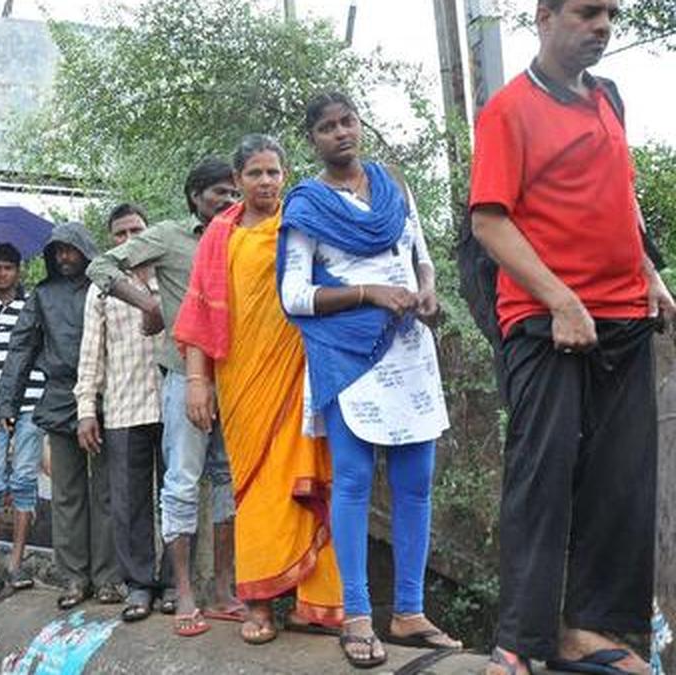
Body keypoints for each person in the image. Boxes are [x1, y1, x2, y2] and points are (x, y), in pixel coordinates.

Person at [469, 2, 674, 673]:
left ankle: (588, 630)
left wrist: (648, 273)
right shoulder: (508, 109)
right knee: (543, 470)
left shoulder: (608, 97)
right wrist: (560, 299)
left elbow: (621, 197)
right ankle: (518, 641)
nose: (603, 26)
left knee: (622, 477)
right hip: (544, 316)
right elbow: (490, 223)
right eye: (588, 12)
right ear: (545, 16)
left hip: (621, 313)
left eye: (610, 14)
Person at [279, 94, 460, 667]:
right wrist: (368, 294)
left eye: (348, 121)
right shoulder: (306, 204)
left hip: (408, 350)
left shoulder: (391, 187)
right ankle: (357, 616)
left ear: (360, 125)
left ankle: (408, 611)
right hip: (349, 357)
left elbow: (418, 253)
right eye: (327, 127)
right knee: (354, 485)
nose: (341, 133)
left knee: (417, 483)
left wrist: (425, 288)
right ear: (313, 139)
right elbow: (294, 295)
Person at [174, 134, 344, 645]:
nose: (266, 182)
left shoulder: (302, 222)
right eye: (255, 174)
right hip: (242, 379)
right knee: (252, 492)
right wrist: (198, 381)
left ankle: (317, 605)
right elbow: (200, 312)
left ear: (285, 174)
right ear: (238, 180)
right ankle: (260, 604)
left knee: (306, 479)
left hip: (301, 373)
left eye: (273, 172)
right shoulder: (218, 236)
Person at [86, 159, 241, 626]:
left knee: (229, 484)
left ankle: (223, 590)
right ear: (195, 196)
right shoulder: (171, 236)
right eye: (220, 193)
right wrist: (149, 302)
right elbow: (102, 265)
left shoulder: (246, 232)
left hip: (236, 380)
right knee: (181, 482)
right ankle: (184, 592)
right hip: (184, 378)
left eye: (234, 193)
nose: (230, 201)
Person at [0, 222, 120, 610]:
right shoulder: (43, 294)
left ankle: (107, 578)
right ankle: (74, 578)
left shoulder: (105, 285)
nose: (65, 257)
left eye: (71, 250)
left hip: (106, 395)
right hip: (58, 394)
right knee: (67, 494)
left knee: (105, 492)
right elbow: (20, 347)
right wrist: (8, 403)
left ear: (86, 250)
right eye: (58, 252)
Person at [73, 204, 164, 622]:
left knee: (176, 496)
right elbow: (91, 354)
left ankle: (175, 585)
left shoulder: (169, 274)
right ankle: (140, 585)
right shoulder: (101, 287)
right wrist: (86, 409)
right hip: (124, 407)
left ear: (149, 232)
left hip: (172, 402)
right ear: (111, 239)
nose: (129, 240)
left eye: (136, 231)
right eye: (120, 234)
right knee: (129, 503)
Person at [0, 243, 47, 602]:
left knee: (23, 481)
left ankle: (16, 563)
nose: (2, 273)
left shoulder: (32, 305)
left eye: (8, 267)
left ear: (18, 270)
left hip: (30, 400)